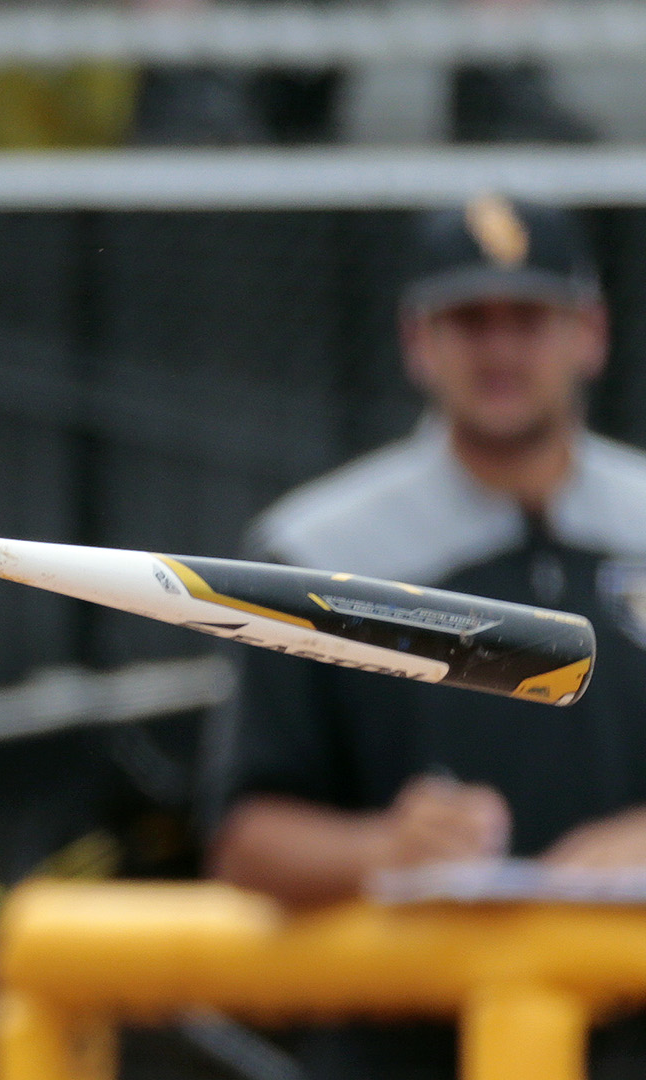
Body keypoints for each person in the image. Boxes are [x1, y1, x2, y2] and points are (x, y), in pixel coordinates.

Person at [204, 193, 646, 1077]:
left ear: (590, 332)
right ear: (418, 340)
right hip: (403, 1043)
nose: (501, 348)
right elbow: (243, 837)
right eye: (469, 320)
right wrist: (382, 849)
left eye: (530, 317)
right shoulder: (318, 552)